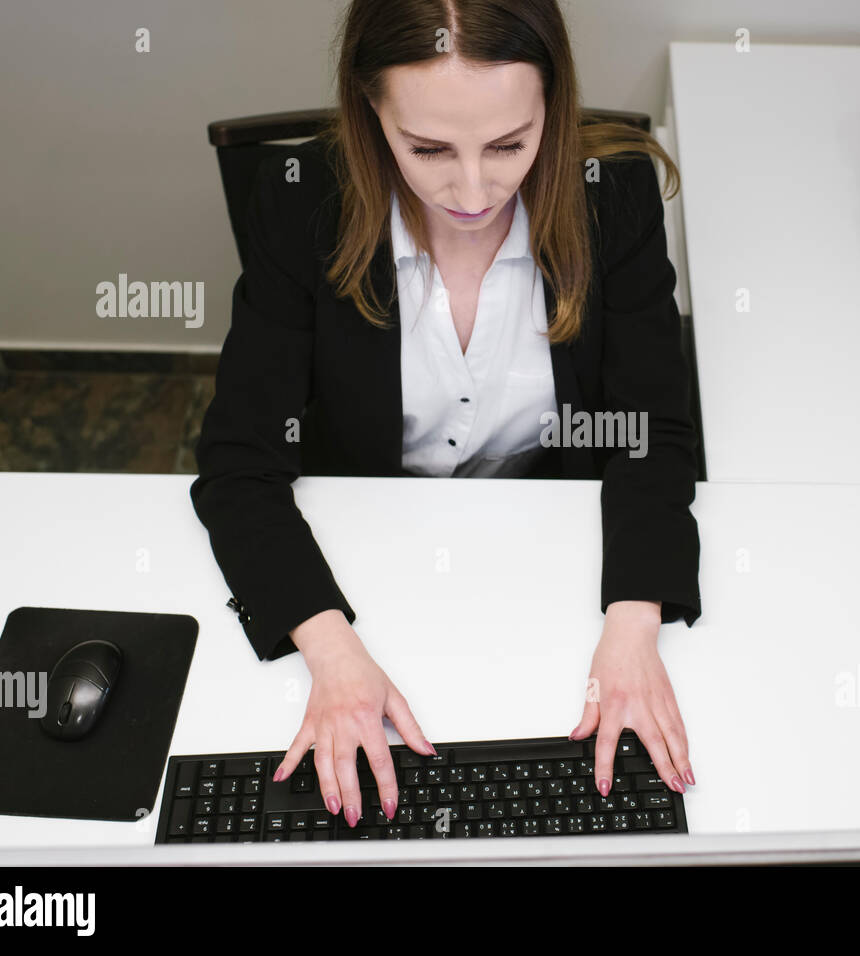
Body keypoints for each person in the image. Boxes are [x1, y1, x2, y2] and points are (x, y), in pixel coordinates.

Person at [190, 0, 700, 831]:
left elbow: (652, 433)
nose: (474, 191)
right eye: (428, 148)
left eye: (510, 144)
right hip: (363, 544)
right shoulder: (297, 204)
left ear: (554, 109)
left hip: (551, 550)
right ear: (370, 116)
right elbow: (240, 465)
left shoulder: (618, 199)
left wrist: (636, 624)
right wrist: (330, 650)